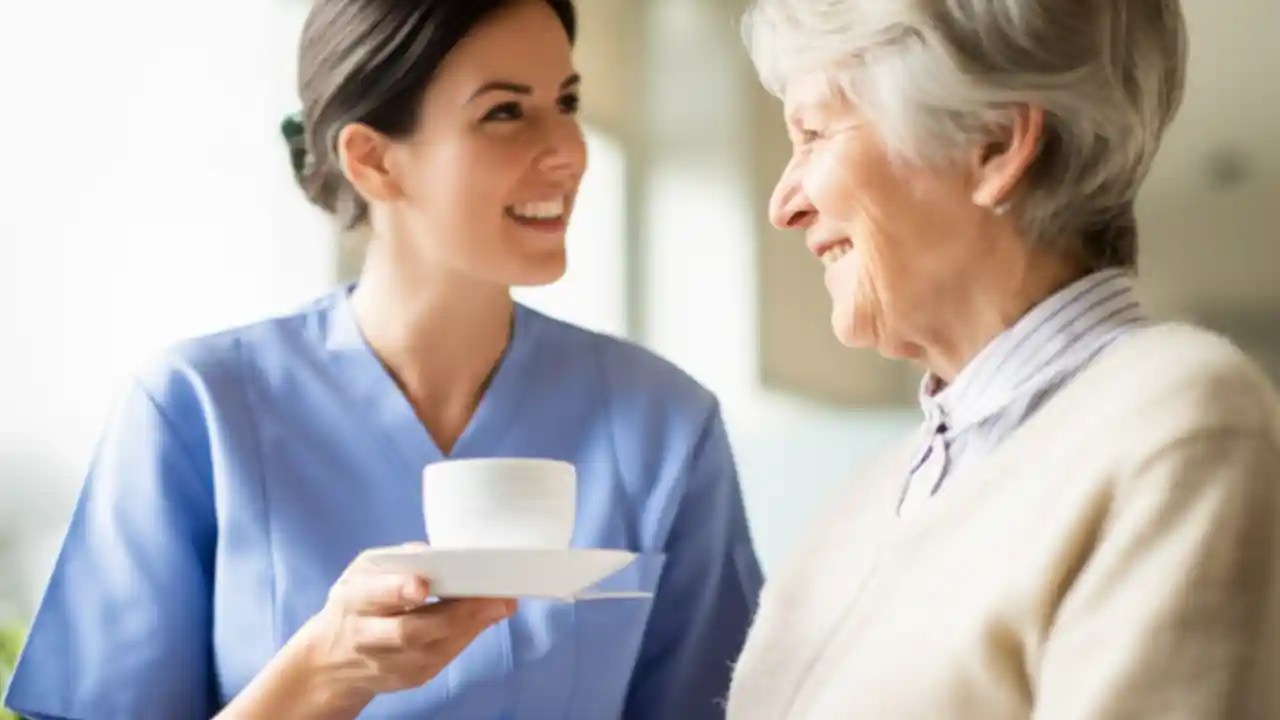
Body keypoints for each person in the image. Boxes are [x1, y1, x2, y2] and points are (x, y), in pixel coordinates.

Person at [5, 1, 761, 718]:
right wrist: (324, 670)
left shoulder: (666, 423)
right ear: (372, 160)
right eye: (504, 112)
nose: (566, 151)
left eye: (565, 102)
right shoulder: (192, 409)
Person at [726, 1, 1280, 718]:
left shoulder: (1176, 430)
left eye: (814, 134)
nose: (784, 203)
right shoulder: (861, 507)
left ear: (993, 145)